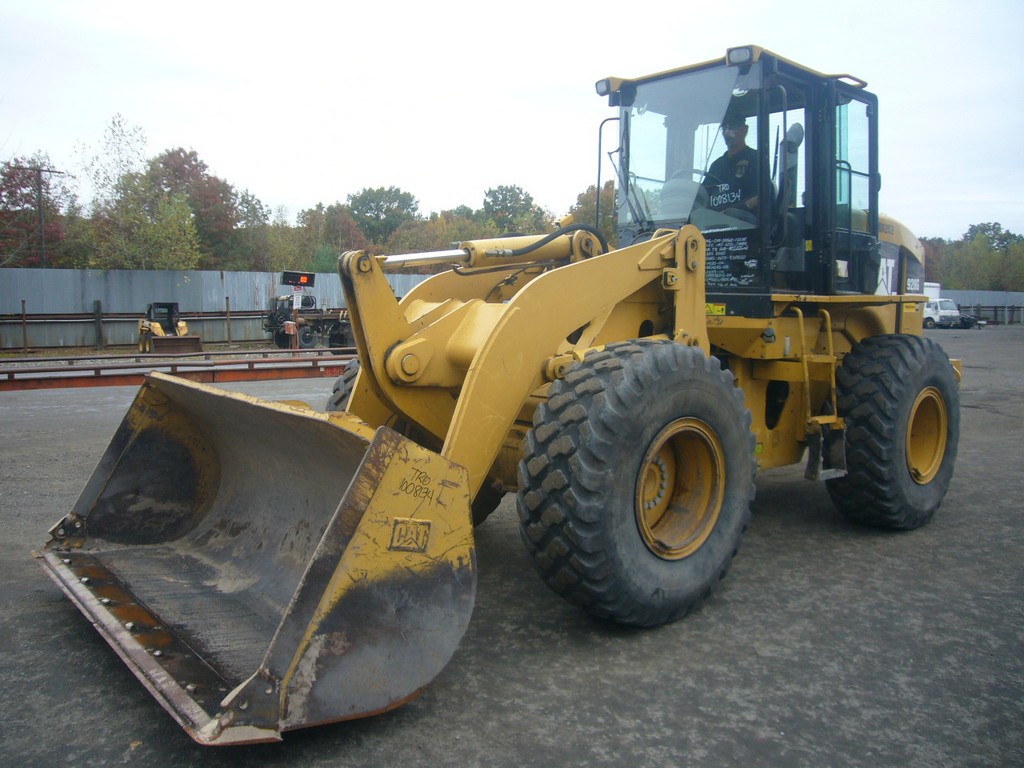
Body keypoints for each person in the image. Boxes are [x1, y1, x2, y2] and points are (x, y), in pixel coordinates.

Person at [704, 112, 760, 223]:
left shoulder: (756, 159)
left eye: (732, 127)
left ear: (745, 129)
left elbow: (760, 197)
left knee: (731, 214)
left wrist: (734, 210)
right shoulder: (716, 165)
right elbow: (703, 195)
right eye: (724, 128)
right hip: (713, 225)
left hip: (744, 226)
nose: (727, 133)